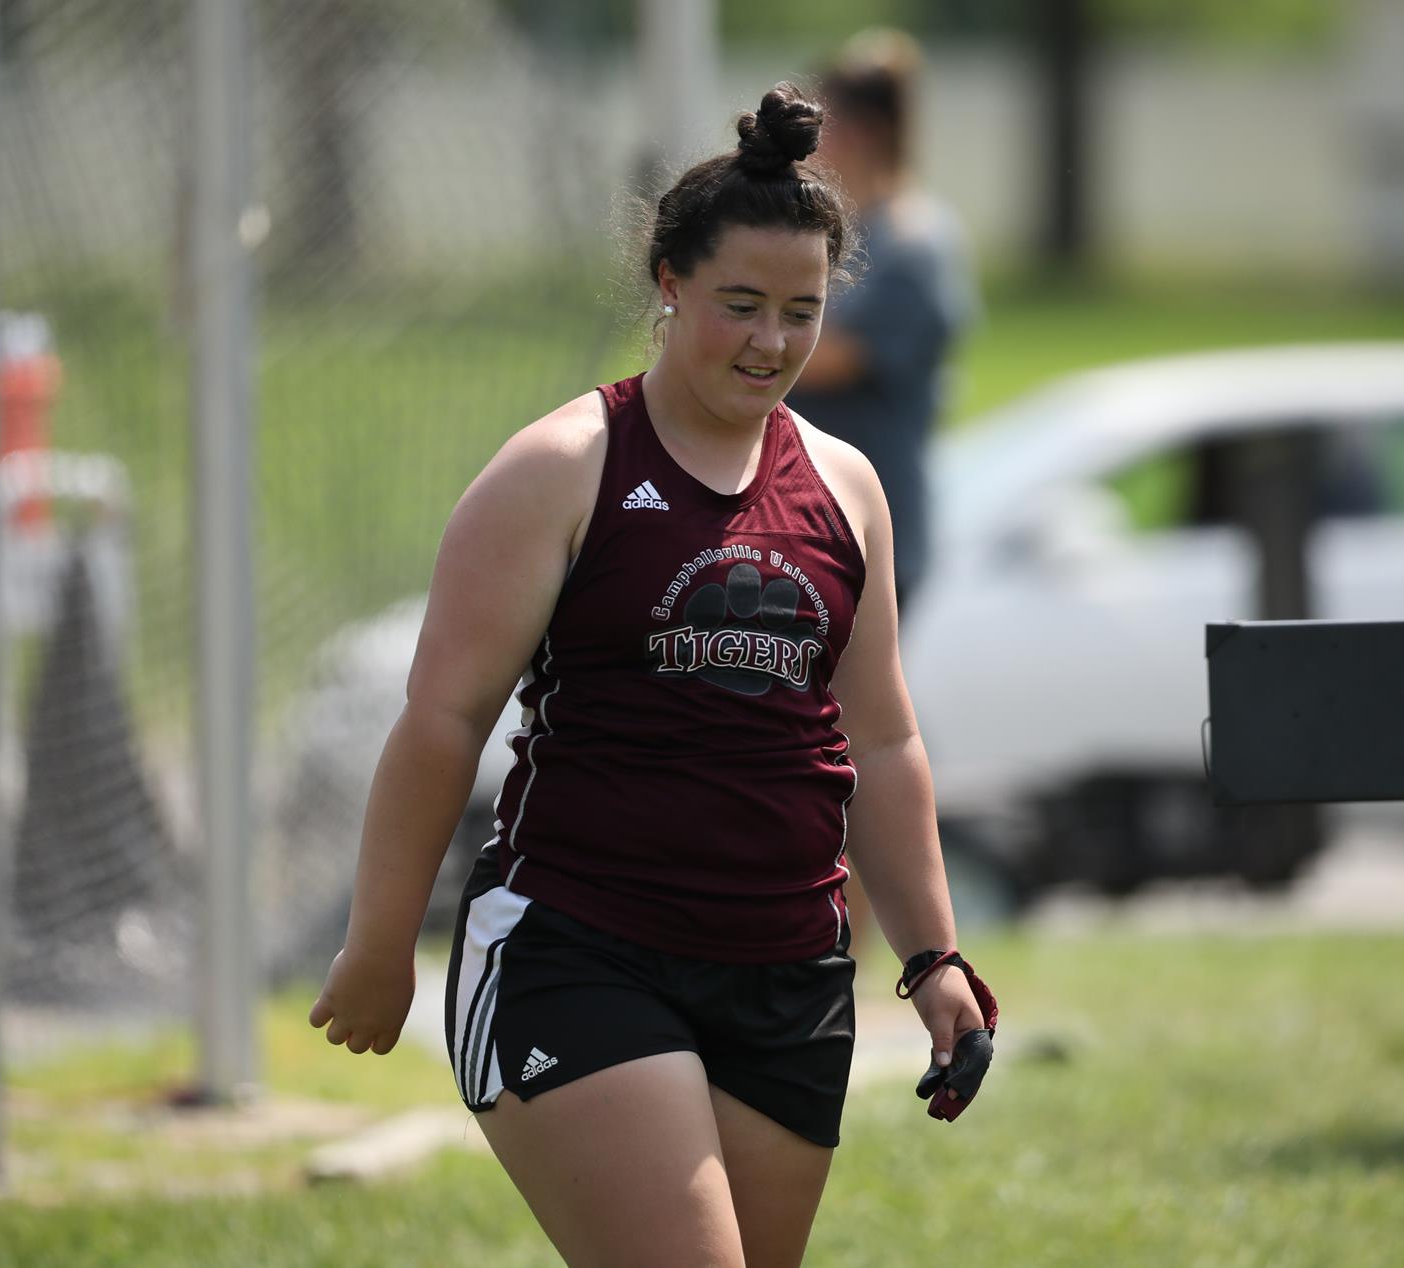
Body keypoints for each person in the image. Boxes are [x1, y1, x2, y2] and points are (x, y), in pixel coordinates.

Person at [308, 83, 997, 1268]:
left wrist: (932, 957)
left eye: (801, 312)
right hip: (580, 948)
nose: (770, 343)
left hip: (786, 971)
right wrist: (379, 943)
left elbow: (881, 742)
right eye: (740, 305)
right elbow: (442, 718)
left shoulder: (846, 488)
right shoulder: (560, 468)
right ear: (669, 282)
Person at [785, 29, 979, 614]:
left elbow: (830, 361)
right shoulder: (837, 230)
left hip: (870, 529)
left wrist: (720, 339)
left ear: (862, 130)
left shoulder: (914, 245)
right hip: (811, 519)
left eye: (822, 122)